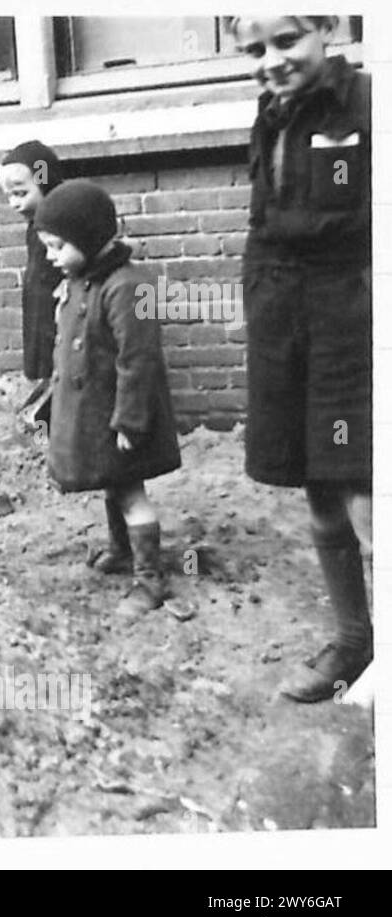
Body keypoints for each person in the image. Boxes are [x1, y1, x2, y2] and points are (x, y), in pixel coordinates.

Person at [225, 16, 372, 702]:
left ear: (329, 29)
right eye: (255, 50)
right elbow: (264, 224)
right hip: (287, 320)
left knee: (368, 486)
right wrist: (255, 304)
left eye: (288, 41)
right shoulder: (270, 117)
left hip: (355, 320)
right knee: (317, 479)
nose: (272, 62)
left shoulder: (368, 103)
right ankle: (352, 639)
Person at [33, 180, 182, 619]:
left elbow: (138, 361)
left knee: (131, 490)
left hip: (123, 416)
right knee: (112, 482)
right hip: (96, 412)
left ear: (89, 239)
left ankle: (151, 580)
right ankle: (121, 549)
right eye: (47, 246)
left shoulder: (127, 288)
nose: (51, 256)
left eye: (59, 245)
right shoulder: (83, 280)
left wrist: (130, 421)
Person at [0, 139, 67, 383]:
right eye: (10, 196)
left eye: (21, 193)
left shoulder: (61, 225)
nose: (15, 203)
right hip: (39, 308)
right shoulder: (35, 227)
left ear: (44, 181)